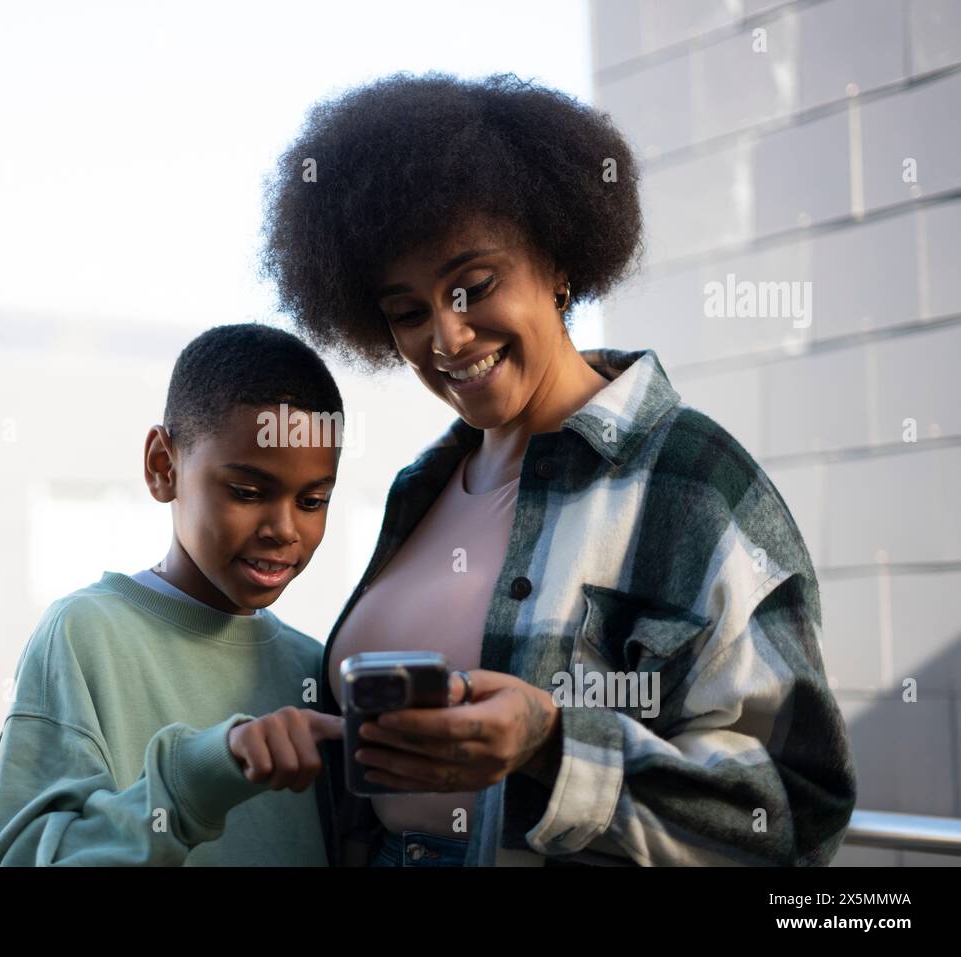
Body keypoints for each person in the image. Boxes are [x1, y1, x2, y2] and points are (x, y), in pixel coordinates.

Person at [258, 71, 857, 866]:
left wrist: (552, 743)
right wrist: (315, 739)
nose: (447, 337)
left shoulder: (691, 479)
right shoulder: (420, 490)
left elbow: (798, 808)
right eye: (408, 311)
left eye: (473, 286)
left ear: (557, 263)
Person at [0, 323, 345, 865]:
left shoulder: (315, 666)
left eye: (312, 501)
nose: (284, 529)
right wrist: (196, 781)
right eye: (246, 492)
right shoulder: (85, 636)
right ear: (161, 466)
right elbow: (19, 859)